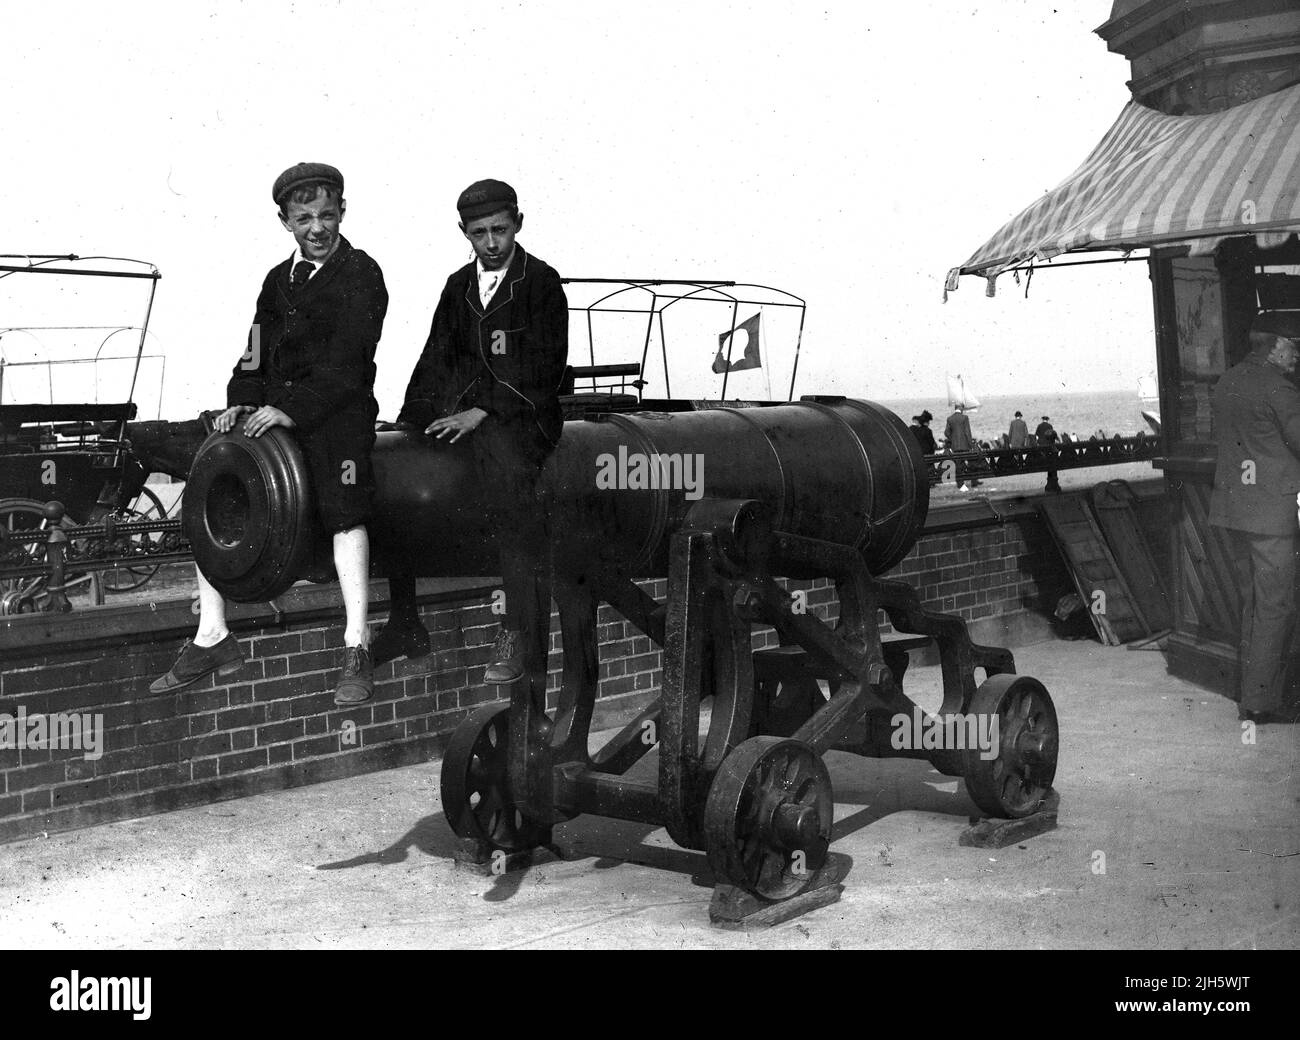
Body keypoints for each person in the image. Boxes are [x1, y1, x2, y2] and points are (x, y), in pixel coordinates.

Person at [151, 162, 388, 705]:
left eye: (328, 215)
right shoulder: (276, 281)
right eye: (304, 218)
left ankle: (357, 643)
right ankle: (212, 634)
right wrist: (241, 404)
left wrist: (290, 411)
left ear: (342, 213)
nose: (318, 228)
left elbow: (349, 362)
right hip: (271, 415)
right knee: (215, 482)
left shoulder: (362, 274)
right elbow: (254, 353)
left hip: (337, 418)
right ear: (285, 222)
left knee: (343, 505)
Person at [384, 179, 568, 685]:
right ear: (464, 232)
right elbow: (435, 355)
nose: (491, 243)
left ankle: (516, 631)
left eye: (501, 230)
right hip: (465, 419)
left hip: (522, 422)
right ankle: (405, 619)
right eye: (480, 233)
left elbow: (545, 366)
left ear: (518, 224)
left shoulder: (542, 283)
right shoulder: (457, 285)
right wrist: (412, 416)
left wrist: (483, 411)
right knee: (400, 475)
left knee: (512, 493)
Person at [1209, 311, 1300, 725]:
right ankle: (1262, 701)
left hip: (1234, 510)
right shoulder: (1280, 389)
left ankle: (1252, 693)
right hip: (1271, 517)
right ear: (1276, 346)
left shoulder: (1227, 382)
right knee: (1276, 606)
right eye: (1294, 349)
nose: (1297, 358)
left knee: (1252, 603)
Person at [944, 405, 980, 490]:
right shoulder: (965, 418)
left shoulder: (950, 418)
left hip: (955, 447)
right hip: (965, 446)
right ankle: (973, 482)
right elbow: (967, 432)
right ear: (961, 409)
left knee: (958, 464)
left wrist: (952, 439)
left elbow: (946, 432)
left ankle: (960, 484)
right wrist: (971, 445)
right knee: (970, 463)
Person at [1035, 415, 1061, 492]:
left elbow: (1036, 436)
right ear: (1047, 420)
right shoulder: (1050, 426)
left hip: (1042, 445)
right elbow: (1053, 435)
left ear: (1042, 419)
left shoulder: (1039, 426)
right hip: (1049, 445)